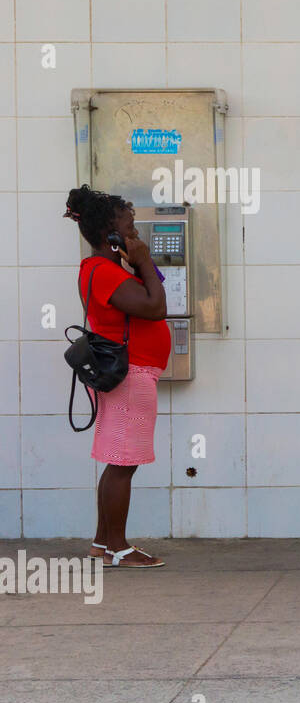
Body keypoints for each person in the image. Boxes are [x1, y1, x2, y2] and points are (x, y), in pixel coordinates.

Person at [65, 185, 170, 568]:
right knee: (123, 464)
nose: (136, 235)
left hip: (132, 373)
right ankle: (119, 549)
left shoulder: (102, 269)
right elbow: (155, 307)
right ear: (111, 235)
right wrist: (143, 262)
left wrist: (138, 261)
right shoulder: (105, 272)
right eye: (130, 228)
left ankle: (101, 544)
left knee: (117, 461)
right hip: (131, 376)